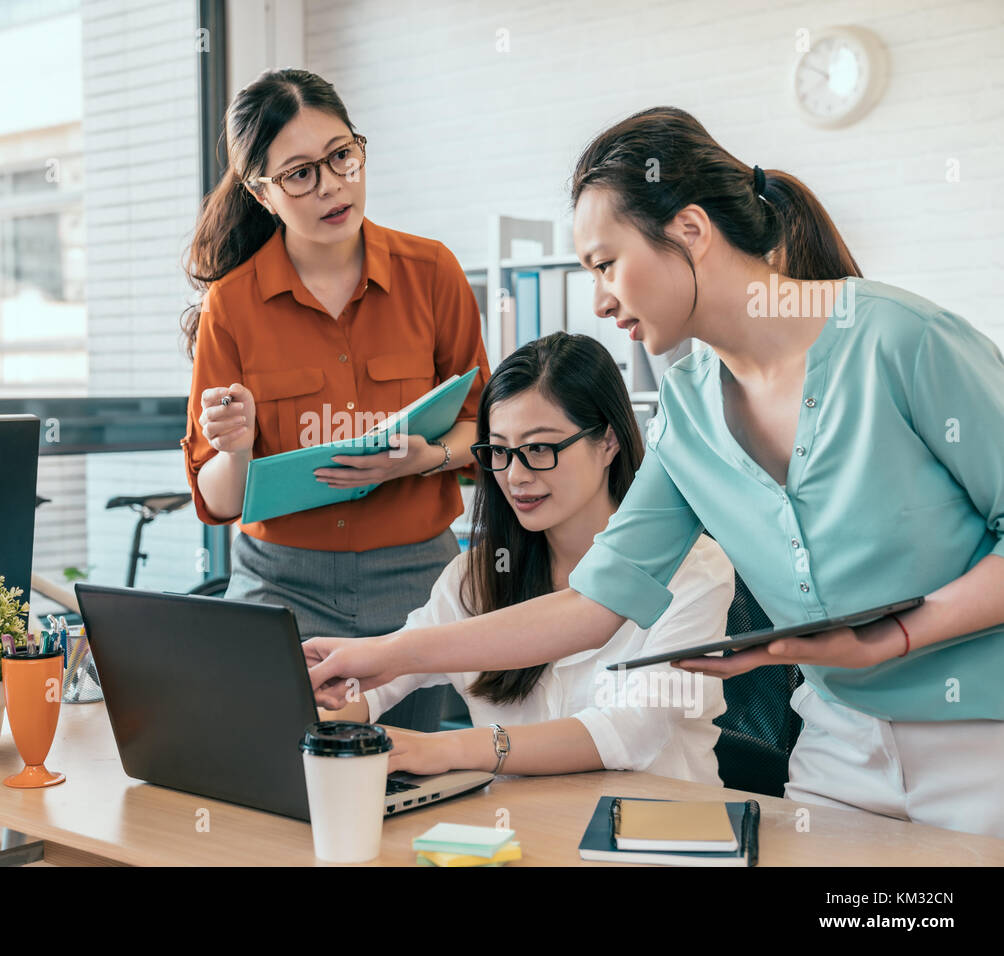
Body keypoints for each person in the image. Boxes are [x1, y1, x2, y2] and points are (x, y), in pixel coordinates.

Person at [306, 106, 1004, 837]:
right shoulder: (689, 409)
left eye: (606, 263)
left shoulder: (901, 341)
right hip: (837, 745)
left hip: (980, 733)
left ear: (691, 231)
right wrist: (386, 654)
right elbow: (595, 604)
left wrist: (891, 637)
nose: (601, 298)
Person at [180, 69, 491, 731]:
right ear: (261, 192)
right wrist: (236, 450)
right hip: (282, 588)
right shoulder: (230, 307)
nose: (332, 186)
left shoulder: (432, 272)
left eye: (341, 156)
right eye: (299, 173)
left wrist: (425, 458)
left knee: (405, 782)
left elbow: (485, 429)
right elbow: (220, 498)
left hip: (417, 583)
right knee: (280, 788)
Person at [320, 332, 733, 783]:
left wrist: (449, 748)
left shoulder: (694, 569)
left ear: (609, 441)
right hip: (516, 838)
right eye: (499, 451)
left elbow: (632, 730)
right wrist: (322, 697)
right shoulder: (476, 575)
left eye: (539, 448)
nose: (515, 475)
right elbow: (382, 681)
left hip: (653, 835)